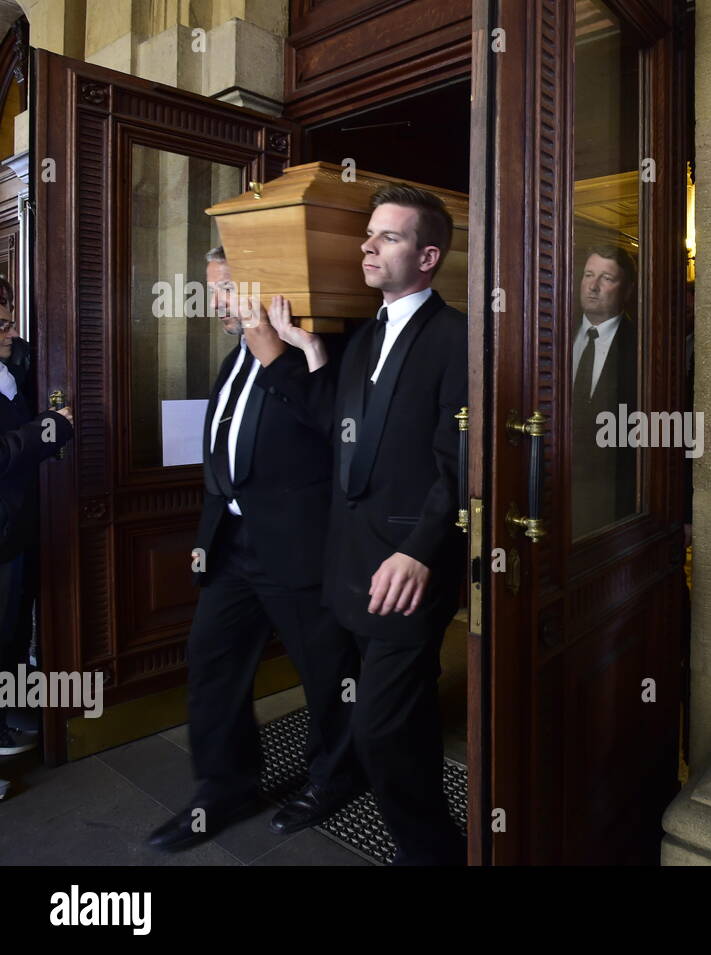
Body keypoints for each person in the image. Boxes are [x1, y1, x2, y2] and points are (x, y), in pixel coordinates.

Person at [245, 184, 468, 865]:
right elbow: (338, 428)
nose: (368, 245)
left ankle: (430, 853)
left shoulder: (458, 336)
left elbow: (459, 463)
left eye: (388, 236)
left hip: (407, 567)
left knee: (379, 729)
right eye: (369, 234)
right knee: (399, 720)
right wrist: (293, 350)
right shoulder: (365, 334)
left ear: (427, 256)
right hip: (347, 562)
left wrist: (422, 550)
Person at [146, 248, 362, 853]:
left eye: (227, 289)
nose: (216, 302)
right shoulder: (232, 359)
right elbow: (224, 451)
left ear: (265, 290)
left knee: (327, 675)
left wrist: (276, 350)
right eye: (212, 291)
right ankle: (225, 788)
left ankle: (336, 776)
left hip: (298, 549)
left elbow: (336, 438)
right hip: (233, 546)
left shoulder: (315, 352)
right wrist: (206, 537)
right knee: (211, 663)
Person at [0, 277, 73, 757]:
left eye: (10, 322)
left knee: (10, 629)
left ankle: (6, 718)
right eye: (2, 326)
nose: (10, 334)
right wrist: (53, 429)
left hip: (14, 525)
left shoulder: (14, 362)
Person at [571, 245, 637, 538]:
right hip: (551, 497)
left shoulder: (645, 346)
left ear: (628, 289)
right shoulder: (549, 332)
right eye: (588, 275)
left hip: (616, 505)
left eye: (607, 278)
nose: (593, 286)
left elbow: (672, 437)